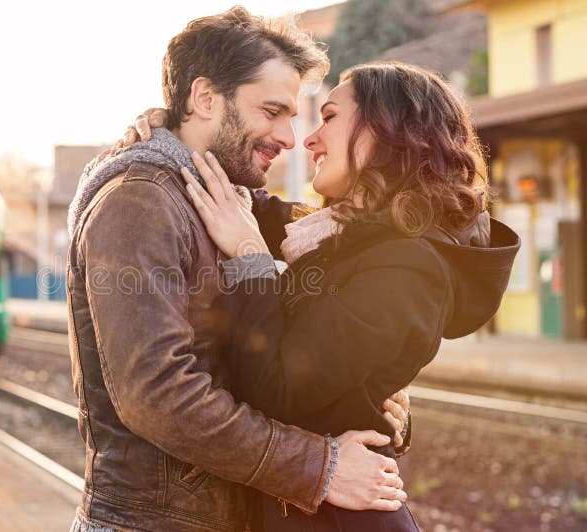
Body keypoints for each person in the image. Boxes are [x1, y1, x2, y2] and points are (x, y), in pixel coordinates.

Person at [66, 8, 410, 532]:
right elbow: (156, 395)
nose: (290, 137)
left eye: (293, 116)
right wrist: (321, 467)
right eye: (271, 111)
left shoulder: (224, 200)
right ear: (205, 98)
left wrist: (371, 385)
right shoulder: (139, 202)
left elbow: (281, 341)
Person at [168, 62, 520, 530]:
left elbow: (278, 389)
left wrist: (251, 258)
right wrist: (173, 131)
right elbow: (245, 199)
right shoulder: (340, 236)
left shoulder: (407, 266)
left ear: (390, 131)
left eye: (329, 117)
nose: (308, 139)